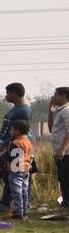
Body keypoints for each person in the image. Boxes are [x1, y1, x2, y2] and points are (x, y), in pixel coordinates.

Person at [0, 82, 31, 214]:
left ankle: (18, 211)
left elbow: (20, 133)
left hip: (15, 151)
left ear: (14, 94)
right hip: (9, 147)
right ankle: (16, 208)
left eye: (8, 93)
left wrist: (6, 146)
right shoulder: (14, 109)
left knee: (15, 181)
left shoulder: (23, 111)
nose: (6, 96)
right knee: (11, 179)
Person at [7, 119, 33, 220]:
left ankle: (18, 212)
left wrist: (5, 157)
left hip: (16, 170)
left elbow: (14, 159)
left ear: (17, 131)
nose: (11, 132)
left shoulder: (16, 143)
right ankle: (25, 211)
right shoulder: (28, 142)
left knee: (16, 192)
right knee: (24, 191)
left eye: (12, 130)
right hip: (26, 169)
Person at [50, 86, 69, 219]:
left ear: (63, 96)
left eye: (56, 95)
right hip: (59, 152)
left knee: (66, 179)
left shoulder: (67, 111)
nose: (53, 97)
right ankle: (65, 204)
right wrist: (50, 111)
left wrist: (62, 149)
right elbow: (51, 128)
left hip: (66, 152)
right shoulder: (59, 110)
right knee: (62, 179)